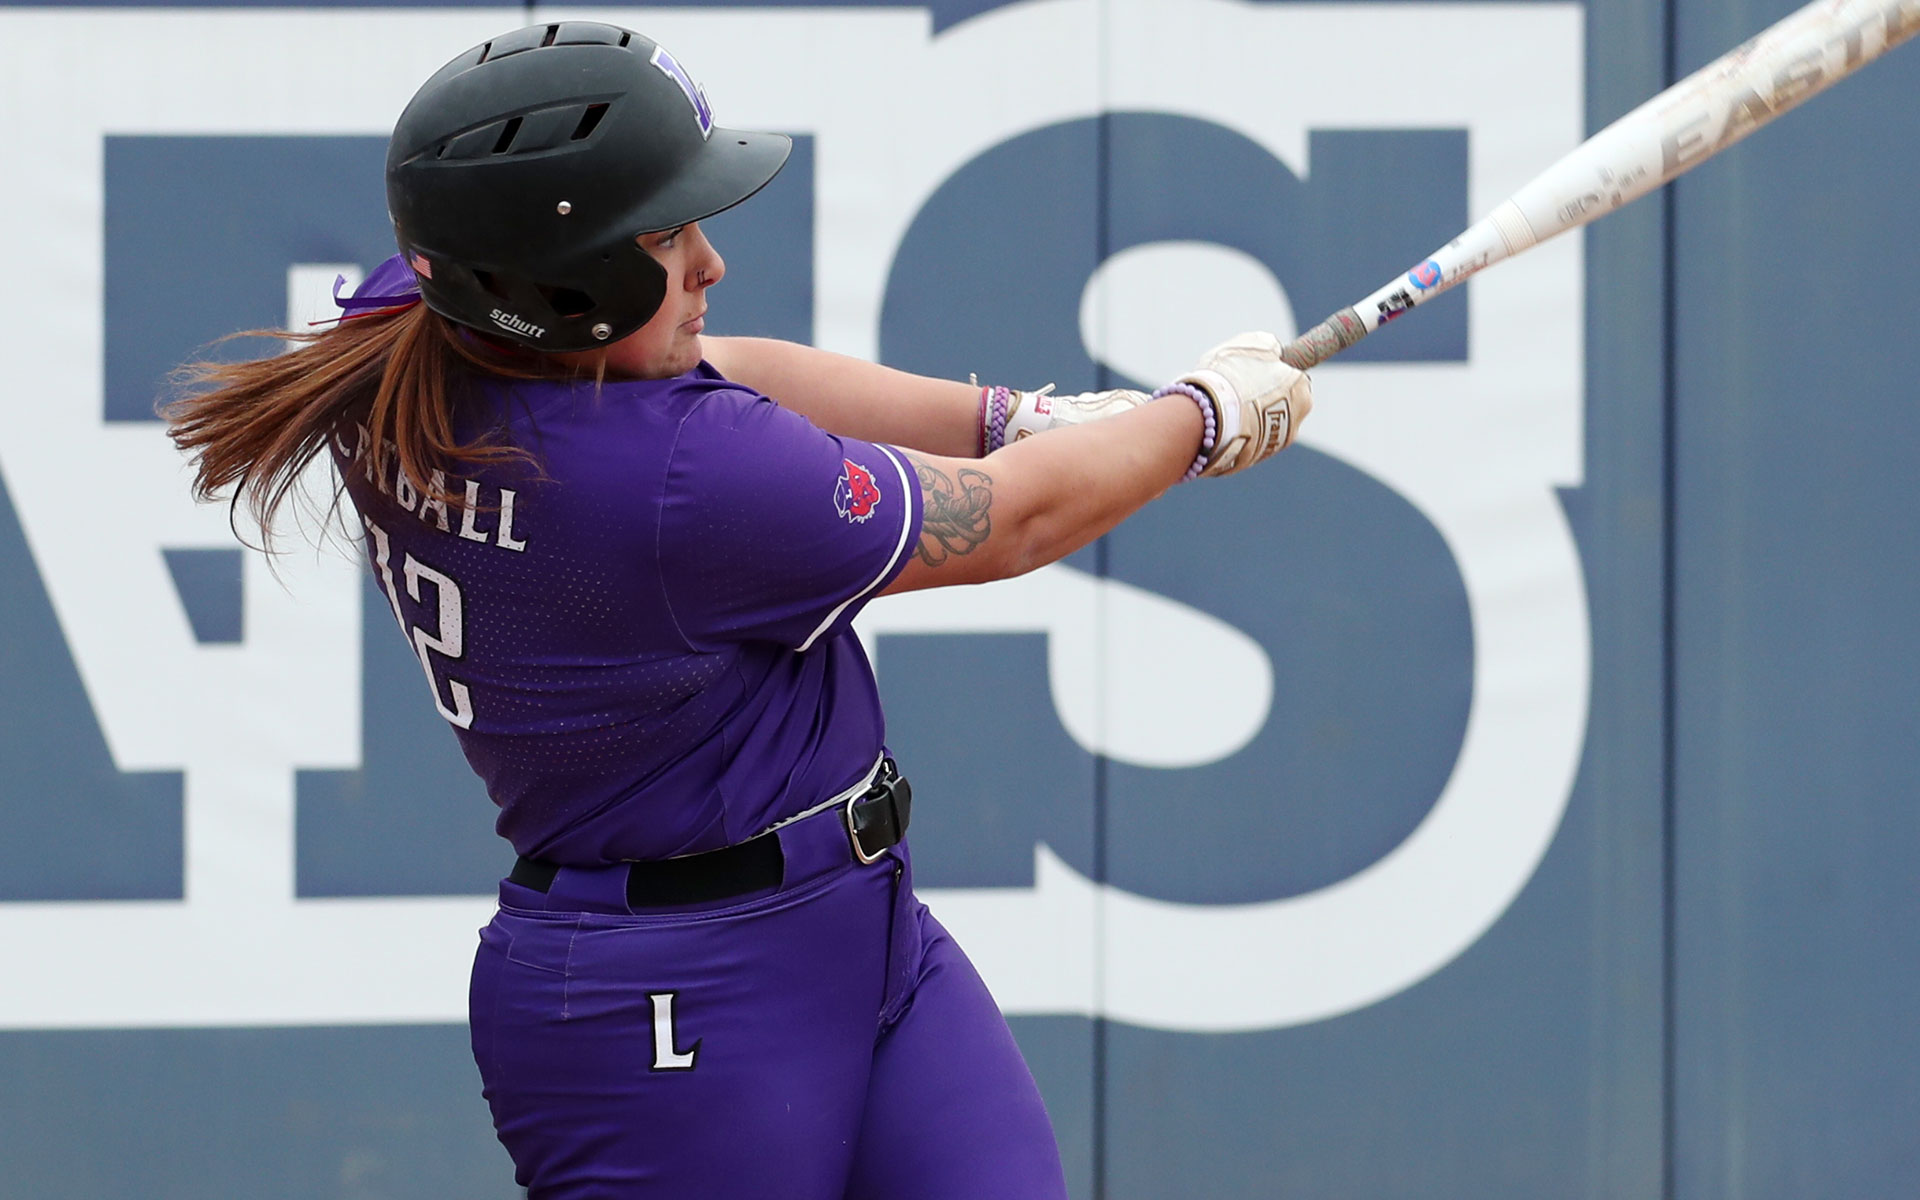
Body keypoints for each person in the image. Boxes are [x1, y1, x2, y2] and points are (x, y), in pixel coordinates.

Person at [163, 21, 1312, 1200]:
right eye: (666, 236)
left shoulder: (427, 328)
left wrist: (1007, 415)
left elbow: (730, 365)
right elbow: (1011, 525)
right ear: (564, 289)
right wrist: (1200, 419)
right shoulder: (670, 483)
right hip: (670, 1002)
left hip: (854, 929)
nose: (710, 263)